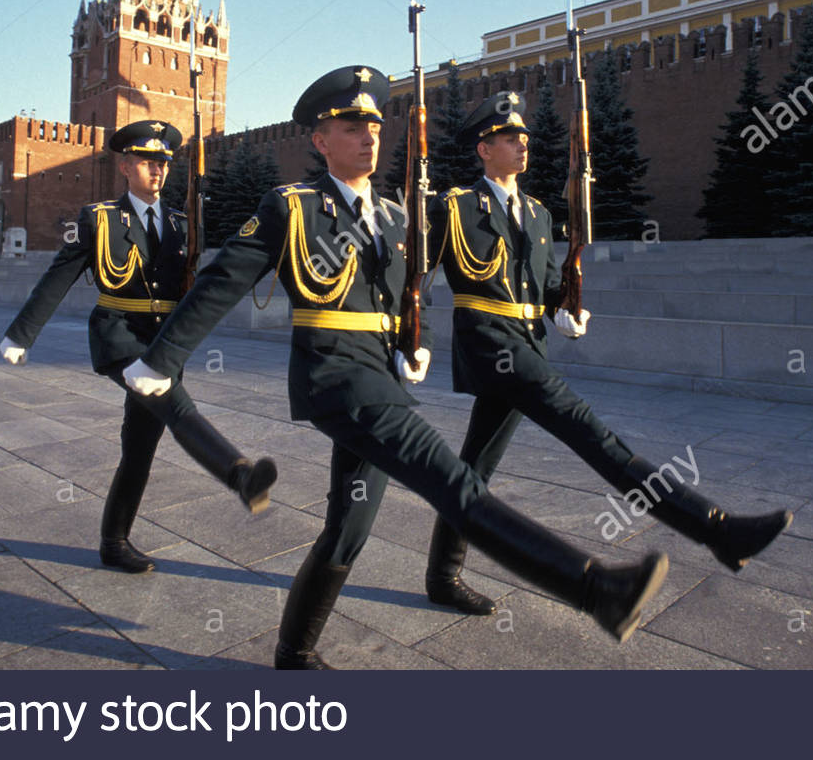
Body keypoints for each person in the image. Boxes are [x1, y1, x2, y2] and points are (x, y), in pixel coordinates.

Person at [123, 66, 668, 669]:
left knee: (348, 525)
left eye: (375, 126)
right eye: (351, 125)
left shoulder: (393, 214)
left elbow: (410, 291)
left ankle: (294, 652)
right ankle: (597, 590)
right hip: (335, 378)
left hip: (378, 376)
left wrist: (418, 339)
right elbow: (221, 283)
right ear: (320, 140)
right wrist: (162, 357)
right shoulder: (292, 207)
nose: (368, 136)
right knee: (456, 484)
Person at [420, 92, 793, 616]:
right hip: (488, 343)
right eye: (509, 138)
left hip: (527, 344)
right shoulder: (454, 206)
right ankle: (716, 529)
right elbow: (414, 277)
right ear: (484, 149)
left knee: (473, 470)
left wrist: (565, 310)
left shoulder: (538, 213)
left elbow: (547, 286)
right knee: (592, 434)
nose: (522, 145)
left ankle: (442, 577)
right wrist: (407, 338)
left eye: (525, 137)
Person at [0, 120, 277, 574]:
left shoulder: (182, 222)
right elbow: (58, 276)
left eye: (163, 164)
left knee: (139, 449)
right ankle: (240, 475)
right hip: (121, 337)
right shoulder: (100, 219)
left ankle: (113, 542)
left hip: (164, 341)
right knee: (180, 409)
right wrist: (21, 334)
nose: (158, 171)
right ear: (125, 166)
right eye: (148, 162)